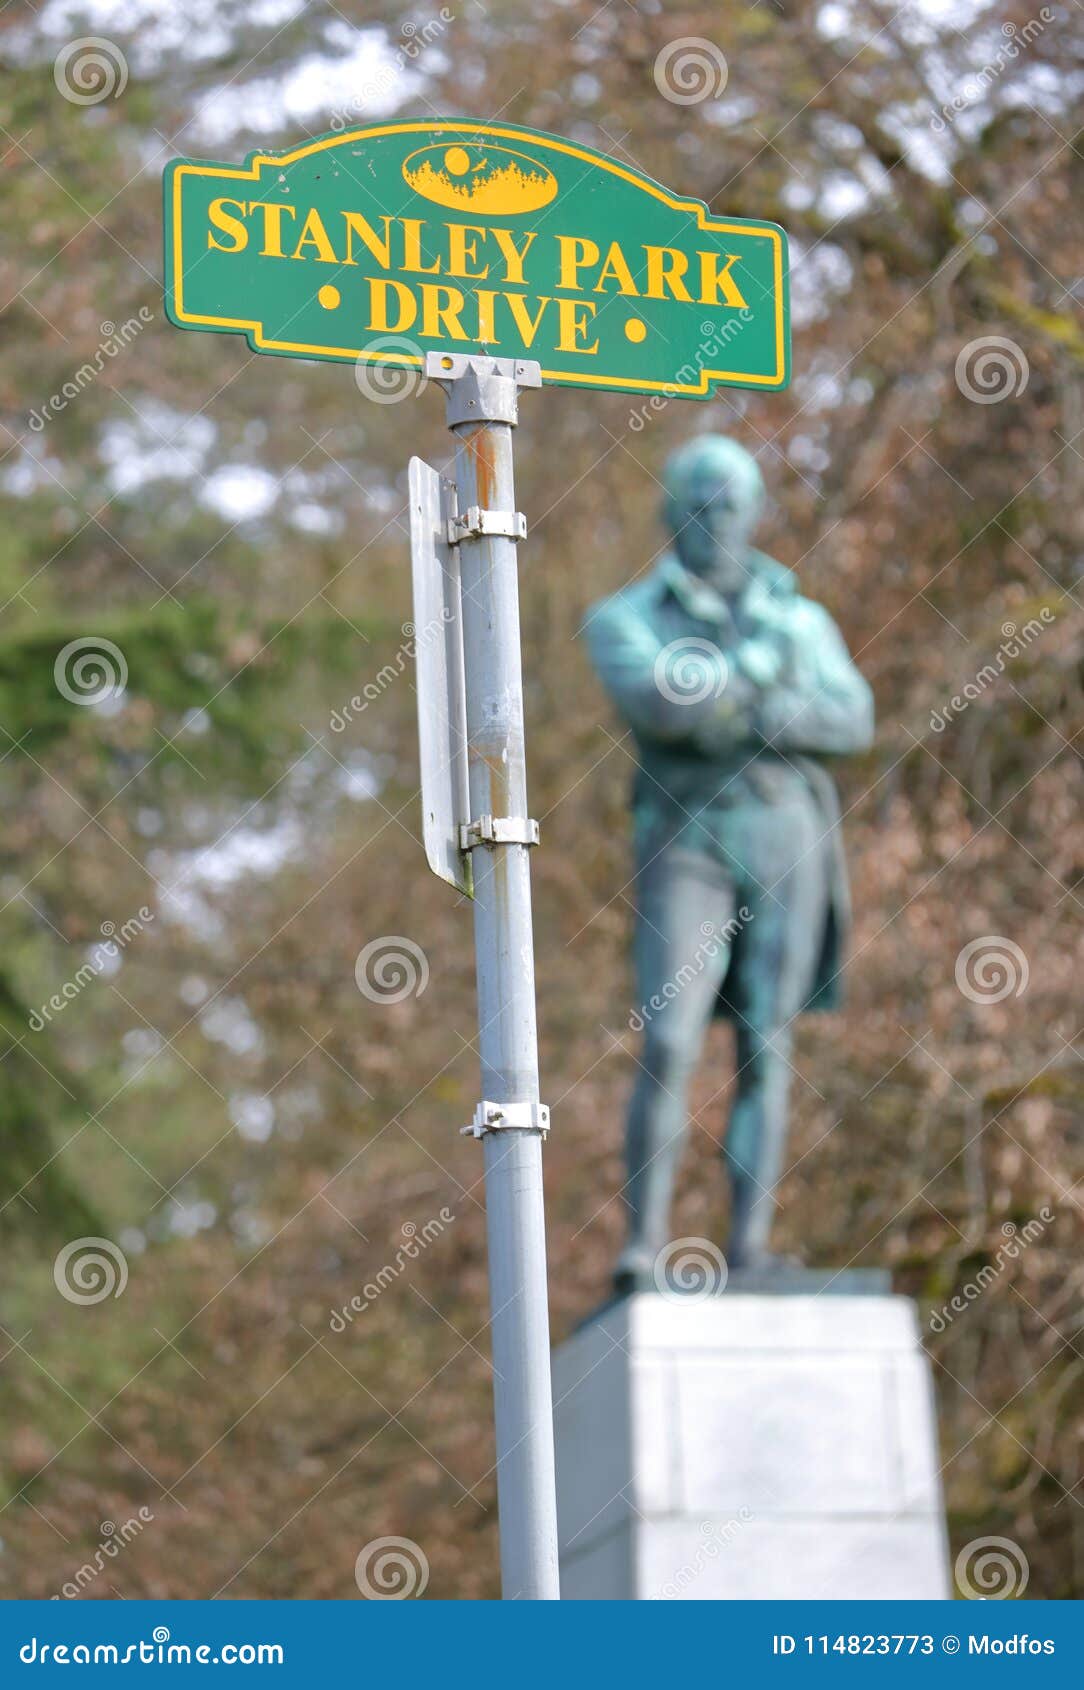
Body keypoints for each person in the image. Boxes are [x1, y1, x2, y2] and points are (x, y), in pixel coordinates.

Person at [585, 436, 874, 1293]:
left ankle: (749, 1249)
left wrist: (742, 703)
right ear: (672, 515)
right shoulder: (625, 617)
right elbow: (664, 707)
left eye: (733, 504)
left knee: (767, 1045)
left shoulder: (802, 618)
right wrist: (762, 685)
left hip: (789, 833)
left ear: (754, 513)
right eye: (700, 505)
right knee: (670, 1039)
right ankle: (647, 1246)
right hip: (689, 838)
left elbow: (852, 722)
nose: (718, 522)